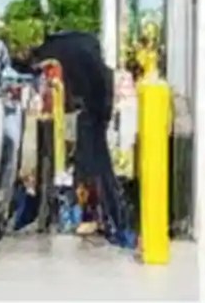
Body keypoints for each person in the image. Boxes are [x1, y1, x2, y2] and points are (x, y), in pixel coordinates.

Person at [23, 31, 130, 241]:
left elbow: (50, 78)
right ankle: (109, 216)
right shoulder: (82, 46)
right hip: (96, 106)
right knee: (96, 163)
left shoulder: (54, 50)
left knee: (91, 164)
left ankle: (104, 217)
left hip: (87, 109)